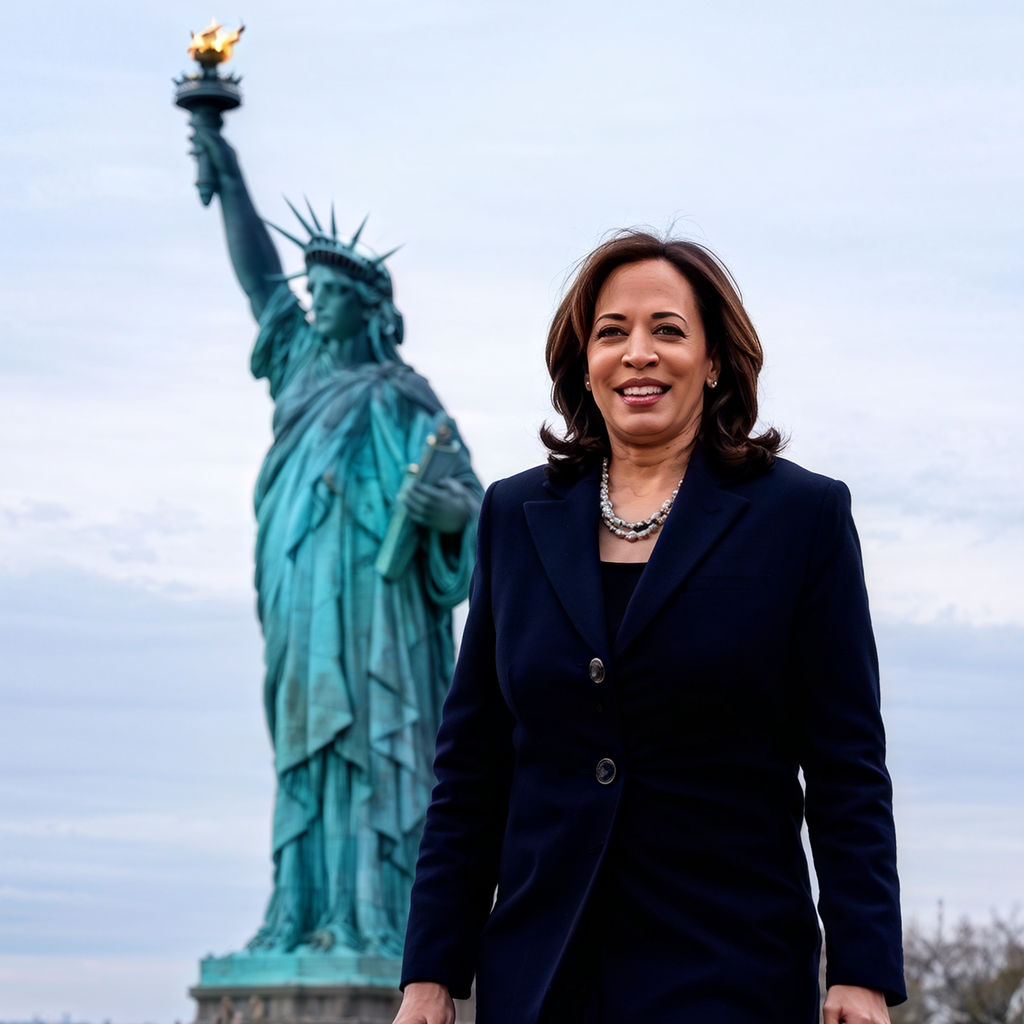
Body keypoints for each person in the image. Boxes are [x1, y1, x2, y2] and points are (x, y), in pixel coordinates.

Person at [394, 232, 905, 1023]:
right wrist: (430, 972)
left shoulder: (801, 517)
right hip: (540, 974)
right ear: (584, 362)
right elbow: (470, 769)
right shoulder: (511, 516)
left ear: (711, 360)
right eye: (612, 332)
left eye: (667, 330)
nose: (638, 353)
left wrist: (862, 968)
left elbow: (846, 768)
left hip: (729, 969)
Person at [189, 127, 483, 957]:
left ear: (373, 306)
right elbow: (255, 278)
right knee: (305, 747)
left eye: (331, 290)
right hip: (298, 587)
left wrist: (440, 511)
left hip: (379, 607)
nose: (314, 299)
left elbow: (474, 505)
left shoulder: (405, 398)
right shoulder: (297, 366)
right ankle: (299, 912)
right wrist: (223, 157)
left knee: (373, 748)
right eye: (311, 286)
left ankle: (378, 921)